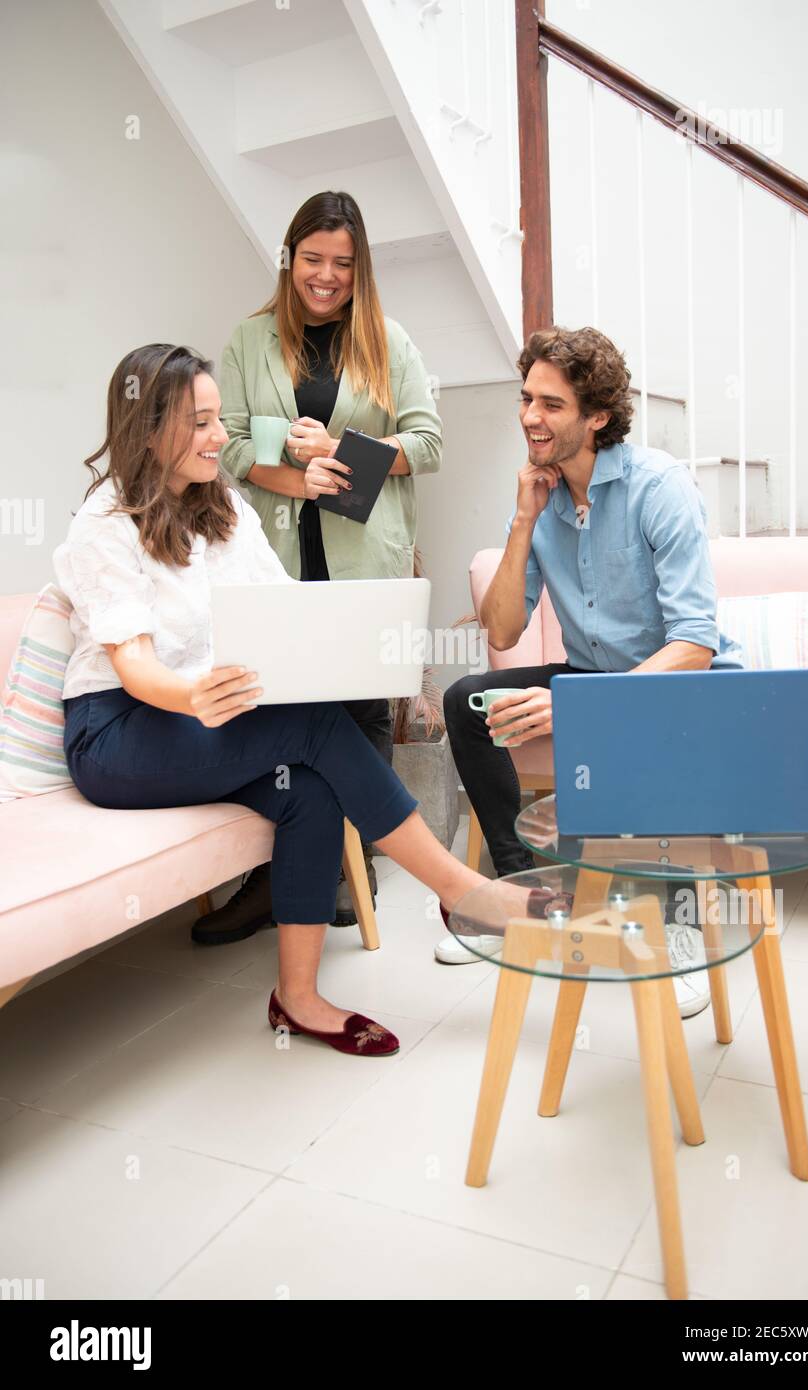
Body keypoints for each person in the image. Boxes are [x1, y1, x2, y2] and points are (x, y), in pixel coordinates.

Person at [53, 343, 505, 1057]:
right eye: (200, 423)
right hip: (117, 732)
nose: (218, 437)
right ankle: (462, 893)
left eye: (216, 420)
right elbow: (134, 666)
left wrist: (343, 649)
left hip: (203, 713)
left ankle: (297, 999)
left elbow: (283, 609)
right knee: (315, 729)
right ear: (148, 430)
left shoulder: (223, 507)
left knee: (311, 788)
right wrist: (193, 693)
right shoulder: (105, 524)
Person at [442, 327, 743, 1018]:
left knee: (657, 733)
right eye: (525, 399)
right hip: (593, 675)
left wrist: (585, 707)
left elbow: (694, 643)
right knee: (467, 701)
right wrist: (521, 522)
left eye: (549, 404)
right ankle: (523, 900)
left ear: (596, 416)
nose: (528, 417)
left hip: (675, 688)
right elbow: (502, 631)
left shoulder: (658, 488)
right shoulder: (542, 498)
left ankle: (679, 931)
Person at [205, 189, 442, 941]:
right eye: (313, 259)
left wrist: (337, 452)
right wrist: (295, 477)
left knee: (364, 710)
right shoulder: (249, 340)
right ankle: (274, 877)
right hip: (273, 552)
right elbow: (232, 447)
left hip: (364, 555)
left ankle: (354, 870)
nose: (327, 276)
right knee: (274, 714)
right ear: (289, 258)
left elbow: (428, 445)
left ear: (359, 266)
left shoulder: (387, 340)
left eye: (343, 262)